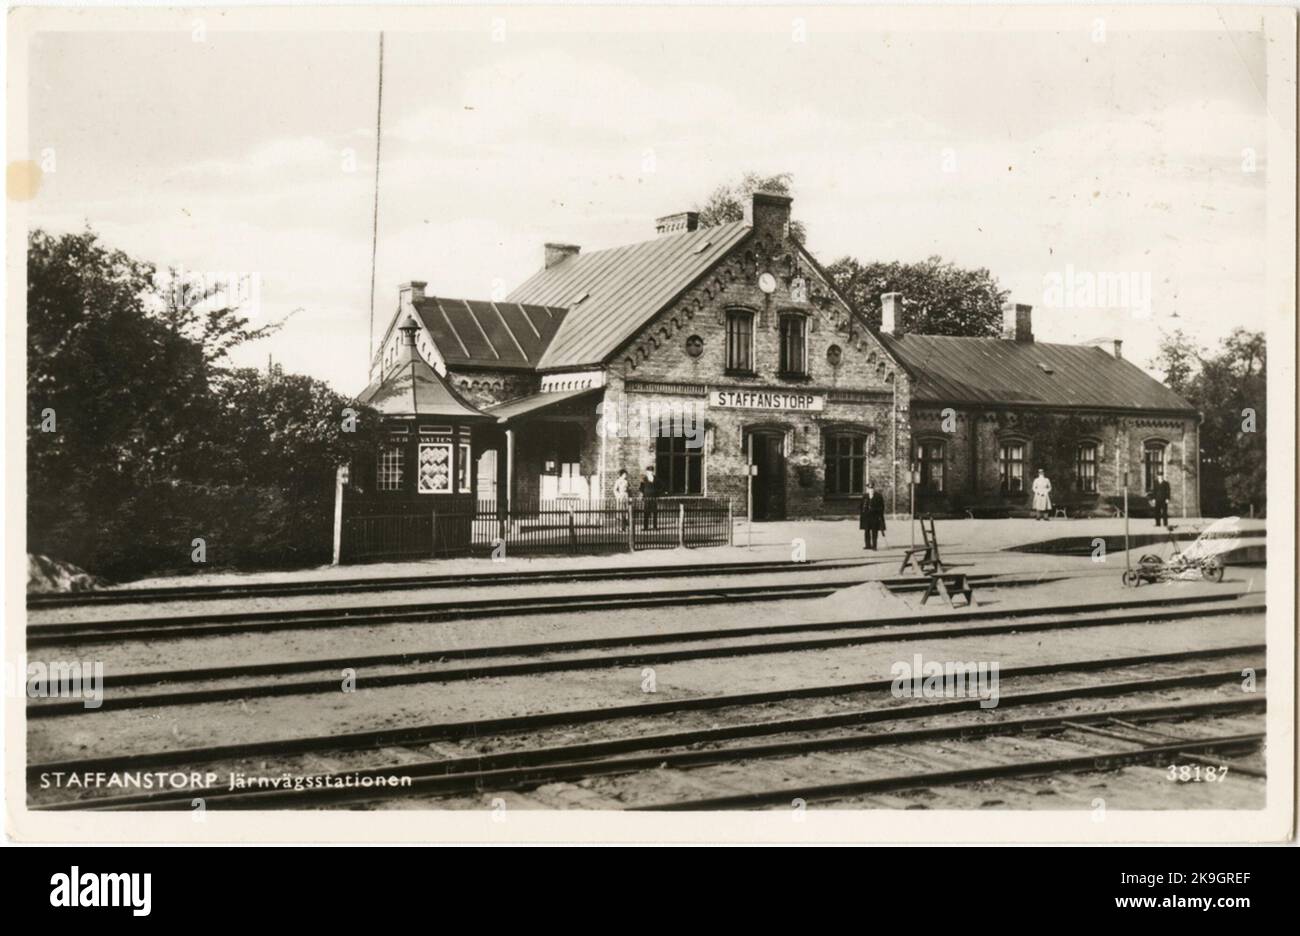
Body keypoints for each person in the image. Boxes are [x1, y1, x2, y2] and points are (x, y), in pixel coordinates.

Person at [859, 482, 886, 549]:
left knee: (874, 531)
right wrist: (863, 512)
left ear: (874, 488)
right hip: (867, 517)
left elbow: (882, 507)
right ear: (867, 489)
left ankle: (874, 545)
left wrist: (875, 510)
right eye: (869, 488)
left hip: (875, 517)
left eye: (872, 488)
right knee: (866, 531)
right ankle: (867, 545)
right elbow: (861, 506)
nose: (871, 490)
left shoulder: (878, 496)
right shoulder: (865, 496)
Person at [639, 465, 659, 530]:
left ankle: (655, 527)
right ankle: (645, 527)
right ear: (647, 472)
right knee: (646, 512)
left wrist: (657, 493)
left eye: (652, 471)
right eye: (649, 471)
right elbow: (641, 488)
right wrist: (642, 494)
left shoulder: (656, 478)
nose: (650, 472)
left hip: (654, 498)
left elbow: (661, 486)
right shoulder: (644, 479)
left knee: (655, 512)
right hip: (647, 498)